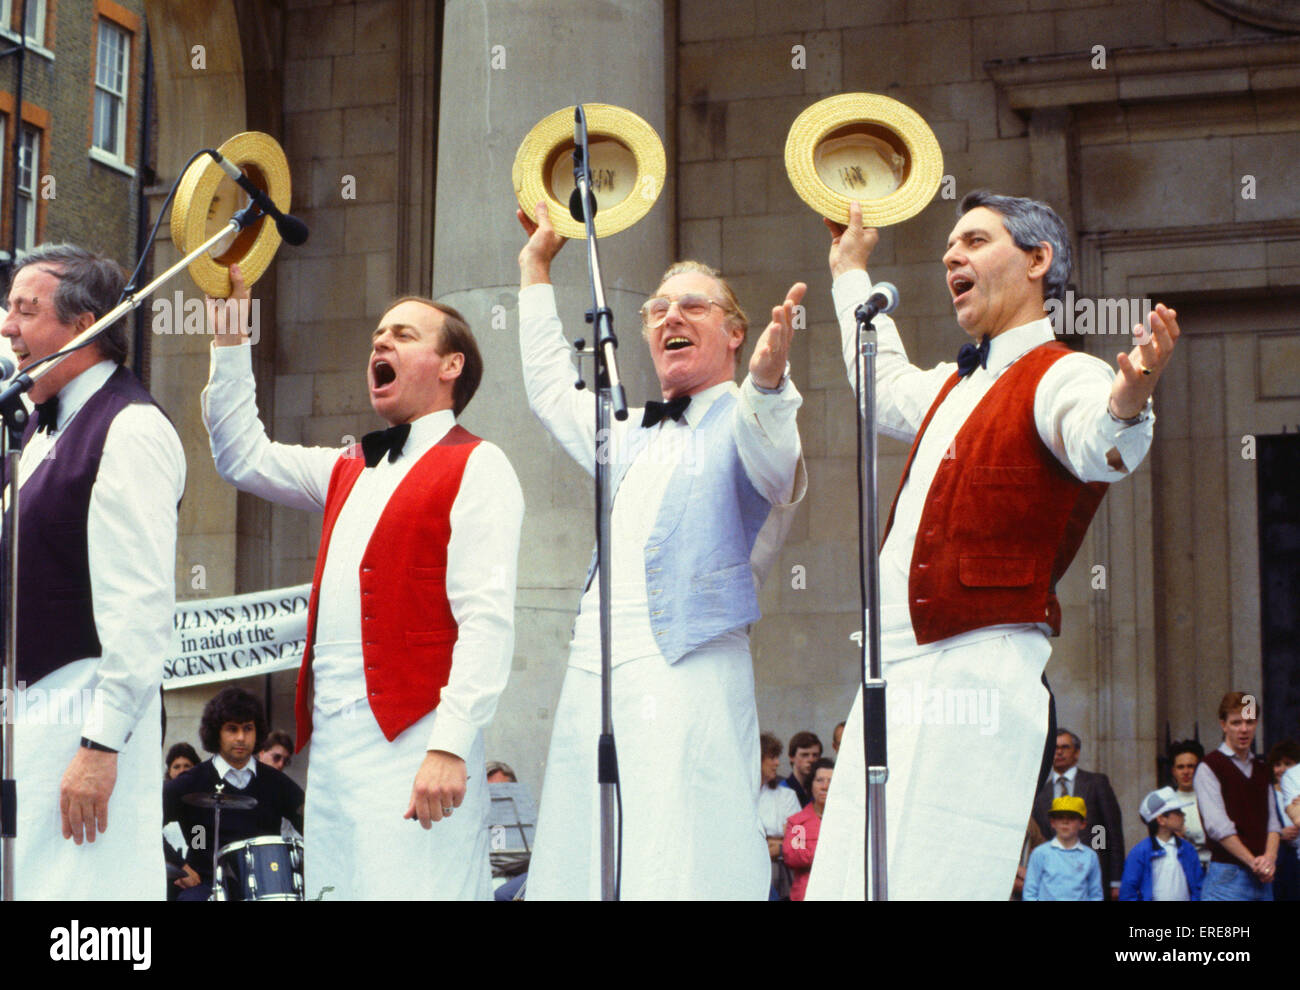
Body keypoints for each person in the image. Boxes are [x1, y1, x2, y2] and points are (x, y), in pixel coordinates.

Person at [809, 193, 1180, 901]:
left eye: (975, 241)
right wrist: (849, 270)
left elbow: (1100, 442)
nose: (952, 255)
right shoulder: (956, 381)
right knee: (852, 879)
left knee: (935, 882)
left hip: (974, 668)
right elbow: (879, 382)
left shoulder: (1063, 372)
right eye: (951, 245)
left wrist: (1129, 399)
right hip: (894, 671)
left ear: (1038, 261)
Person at [202, 264, 524, 900]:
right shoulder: (347, 469)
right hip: (334, 746)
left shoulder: (480, 463)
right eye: (378, 335)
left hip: (415, 740)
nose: (381, 344)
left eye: (403, 336)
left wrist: (452, 745)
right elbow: (241, 454)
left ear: (451, 365)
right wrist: (231, 336)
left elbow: (486, 619)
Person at [516, 201, 807, 900]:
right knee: (582, 845)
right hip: (598, 663)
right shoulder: (631, 430)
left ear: (736, 333)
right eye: (656, 310)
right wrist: (534, 271)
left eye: (692, 306)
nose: (669, 318)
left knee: (684, 845)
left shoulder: (748, 417)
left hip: (691, 658)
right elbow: (553, 391)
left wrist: (767, 388)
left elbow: (776, 464)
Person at [2, 244, 185, 900]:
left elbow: (140, 605)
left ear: (85, 325)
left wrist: (101, 744)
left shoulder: (128, 429)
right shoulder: (32, 431)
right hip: (29, 721)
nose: (7, 327)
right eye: (7, 309)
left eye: (26, 310)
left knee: (87, 910)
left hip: (83, 715)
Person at [164, 687, 306, 901]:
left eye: (248, 728)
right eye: (232, 729)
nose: (241, 738)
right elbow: (146, 821)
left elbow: (313, 822)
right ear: (216, 733)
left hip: (267, 887)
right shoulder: (190, 783)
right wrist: (178, 864)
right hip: (205, 885)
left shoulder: (276, 783)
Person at [1193, 691, 1282, 901]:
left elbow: (1273, 824)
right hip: (1227, 877)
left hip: (1263, 878)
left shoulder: (1261, 769)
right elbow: (1218, 826)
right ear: (1223, 725)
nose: (1244, 729)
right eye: (1236, 722)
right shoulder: (1210, 766)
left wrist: (1269, 859)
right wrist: (1254, 863)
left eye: (1249, 722)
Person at [1031, 729, 1125, 897]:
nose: (1059, 752)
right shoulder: (1040, 794)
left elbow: (1110, 831)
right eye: (1054, 748)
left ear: (1076, 752)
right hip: (1055, 882)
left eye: (1065, 747)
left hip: (1093, 876)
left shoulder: (1096, 783)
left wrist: (1115, 880)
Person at [1118, 787, 1202, 901]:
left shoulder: (1187, 849)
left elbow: (1199, 886)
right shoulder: (1140, 852)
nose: (1183, 815)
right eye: (1178, 812)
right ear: (1161, 820)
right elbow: (1128, 891)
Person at [1023, 796, 1103, 901]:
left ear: (1082, 824)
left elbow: (1096, 894)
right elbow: (1030, 892)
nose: (1065, 821)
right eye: (1060, 817)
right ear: (1052, 822)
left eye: (1072, 817)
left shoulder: (1090, 856)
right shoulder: (1040, 853)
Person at [783, 758, 834, 901]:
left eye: (831, 781)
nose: (825, 786)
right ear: (810, 784)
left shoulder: (847, 821)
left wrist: (810, 850)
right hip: (806, 893)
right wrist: (828, 849)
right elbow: (792, 856)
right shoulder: (798, 822)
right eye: (819, 780)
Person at [758, 732, 801, 898]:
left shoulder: (787, 795)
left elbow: (798, 839)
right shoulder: (741, 795)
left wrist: (779, 847)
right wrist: (773, 840)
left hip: (779, 870)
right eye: (772, 757)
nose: (777, 763)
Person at [1266, 739, 1300, 900]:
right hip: (1280, 864)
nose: (1282, 769)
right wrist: (1279, 834)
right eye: (1277, 764)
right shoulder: (1268, 794)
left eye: (1288, 764)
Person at [1168, 739, 1209, 869]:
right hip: (1180, 868)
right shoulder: (1167, 803)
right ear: (1173, 771)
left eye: (1191, 766)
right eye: (1180, 767)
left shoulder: (1211, 799)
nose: (1186, 772)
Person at [781, 731, 822, 807]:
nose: (811, 760)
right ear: (791, 757)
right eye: (804, 755)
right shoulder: (781, 790)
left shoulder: (821, 790)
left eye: (815, 755)